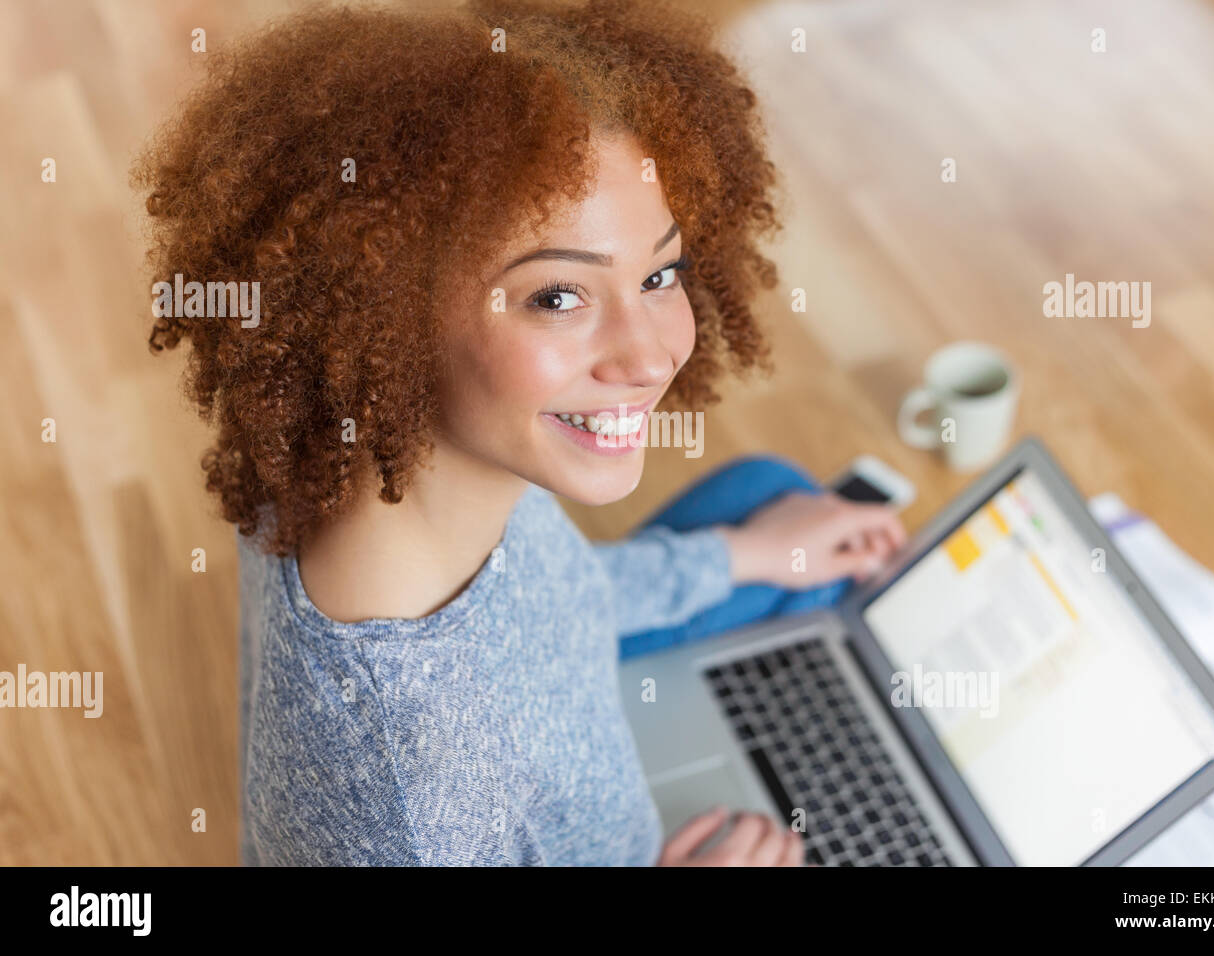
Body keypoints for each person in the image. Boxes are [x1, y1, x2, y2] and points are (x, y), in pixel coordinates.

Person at [135, 0, 905, 866]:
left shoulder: (376, 450)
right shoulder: (411, 801)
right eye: (558, 296)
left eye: (660, 272)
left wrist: (741, 556)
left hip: (552, 708)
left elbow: (547, 598)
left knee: (776, 503)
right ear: (390, 321)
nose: (652, 356)